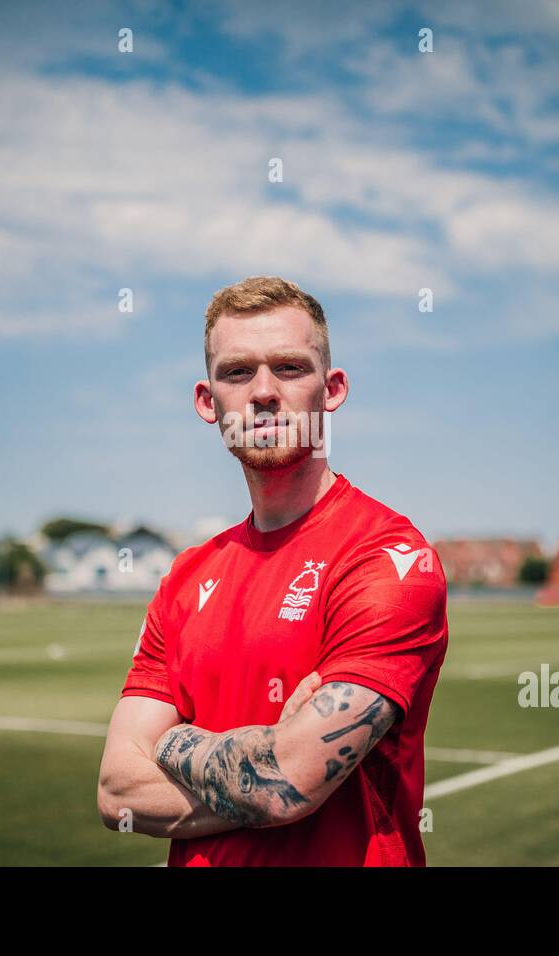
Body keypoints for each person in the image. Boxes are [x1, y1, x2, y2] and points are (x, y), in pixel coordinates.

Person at [97, 276, 448, 865]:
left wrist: (173, 742)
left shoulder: (388, 558)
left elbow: (293, 781)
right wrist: (266, 770)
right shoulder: (185, 578)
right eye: (237, 372)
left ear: (332, 389)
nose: (263, 392)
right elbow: (115, 790)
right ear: (208, 403)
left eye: (289, 368)